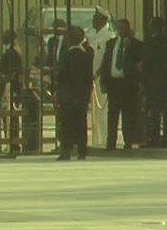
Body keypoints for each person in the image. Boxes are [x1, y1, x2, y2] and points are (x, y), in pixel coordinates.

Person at [98, 18, 141, 152]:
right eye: (119, 28)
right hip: (114, 83)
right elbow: (106, 63)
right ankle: (110, 142)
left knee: (128, 115)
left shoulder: (136, 45)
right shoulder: (111, 43)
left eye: (124, 28)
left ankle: (128, 141)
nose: (121, 30)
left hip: (128, 83)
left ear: (128, 29)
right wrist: (103, 81)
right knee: (112, 115)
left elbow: (139, 64)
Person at [54, 25, 94, 161]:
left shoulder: (66, 55)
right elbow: (89, 77)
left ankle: (66, 150)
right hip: (81, 96)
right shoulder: (86, 55)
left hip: (67, 96)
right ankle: (82, 151)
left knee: (67, 124)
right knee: (81, 124)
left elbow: (62, 76)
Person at [142, 8, 167, 147]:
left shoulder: (150, 43)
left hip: (153, 81)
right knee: (166, 110)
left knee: (154, 111)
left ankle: (154, 137)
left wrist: (144, 80)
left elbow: (146, 63)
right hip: (165, 81)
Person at [0, 29, 29, 152]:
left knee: (11, 116)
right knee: (9, 116)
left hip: (10, 88)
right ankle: (11, 141)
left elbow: (12, 72)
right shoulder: (14, 51)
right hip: (11, 88)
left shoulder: (12, 53)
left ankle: (13, 143)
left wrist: (5, 87)